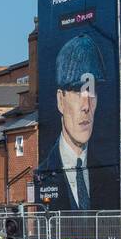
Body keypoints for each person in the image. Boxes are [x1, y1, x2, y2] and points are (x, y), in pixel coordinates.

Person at [35, 34, 106, 210]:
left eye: (91, 92)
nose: (86, 106)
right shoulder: (44, 173)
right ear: (61, 100)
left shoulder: (108, 174)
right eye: (77, 92)